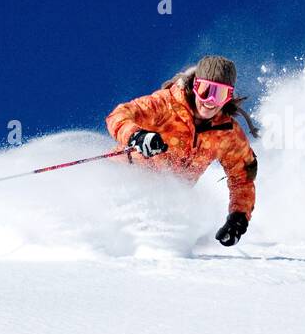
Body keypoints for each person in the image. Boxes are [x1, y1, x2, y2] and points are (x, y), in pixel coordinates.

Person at [105, 55, 258, 246]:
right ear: (195, 86)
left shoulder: (227, 133)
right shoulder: (166, 104)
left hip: (163, 200)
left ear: (228, 97)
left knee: (157, 243)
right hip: (122, 179)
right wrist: (137, 136)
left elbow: (243, 177)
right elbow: (119, 115)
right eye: (205, 90)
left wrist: (238, 217)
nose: (210, 101)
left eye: (219, 94)